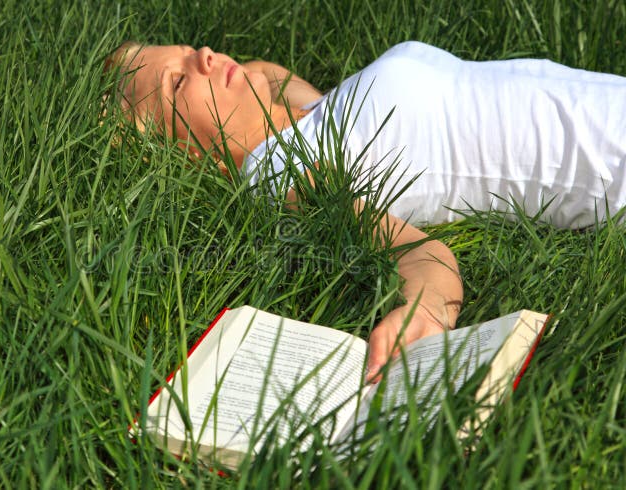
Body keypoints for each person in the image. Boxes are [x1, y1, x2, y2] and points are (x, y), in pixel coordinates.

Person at [106, 40, 626, 382]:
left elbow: (272, 72)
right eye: (177, 81)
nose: (203, 54)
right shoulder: (286, 174)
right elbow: (422, 255)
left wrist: (240, 104)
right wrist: (425, 310)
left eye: (186, 49)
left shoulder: (304, 115)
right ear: (187, 156)